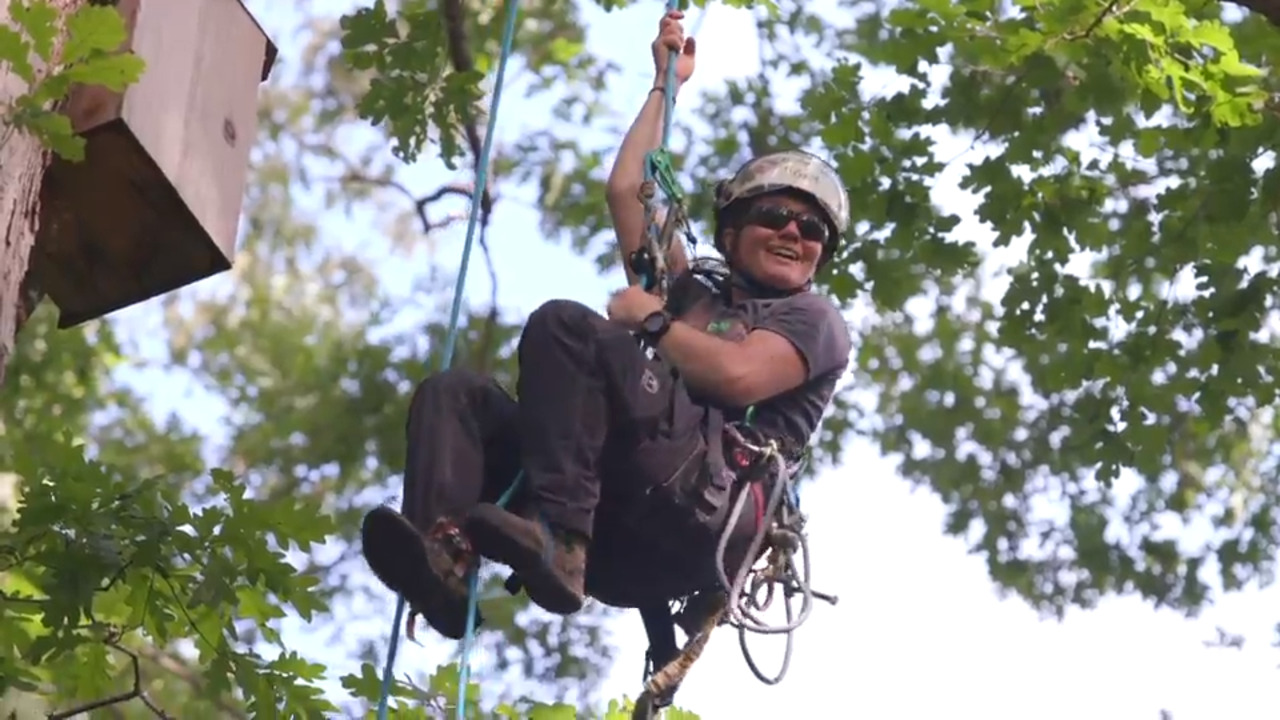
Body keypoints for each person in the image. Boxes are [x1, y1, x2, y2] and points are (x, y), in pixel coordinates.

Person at [359, 9, 853, 645]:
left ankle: (561, 542)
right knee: (454, 395)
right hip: (620, 522)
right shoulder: (692, 294)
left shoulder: (813, 319)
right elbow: (628, 192)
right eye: (776, 216)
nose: (794, 233)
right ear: (732, 234)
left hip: (697, 511)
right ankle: (444, 565)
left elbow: (737, 376)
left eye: (811, 229)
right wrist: (664, 84)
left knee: (568, 327)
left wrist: (653, 320)